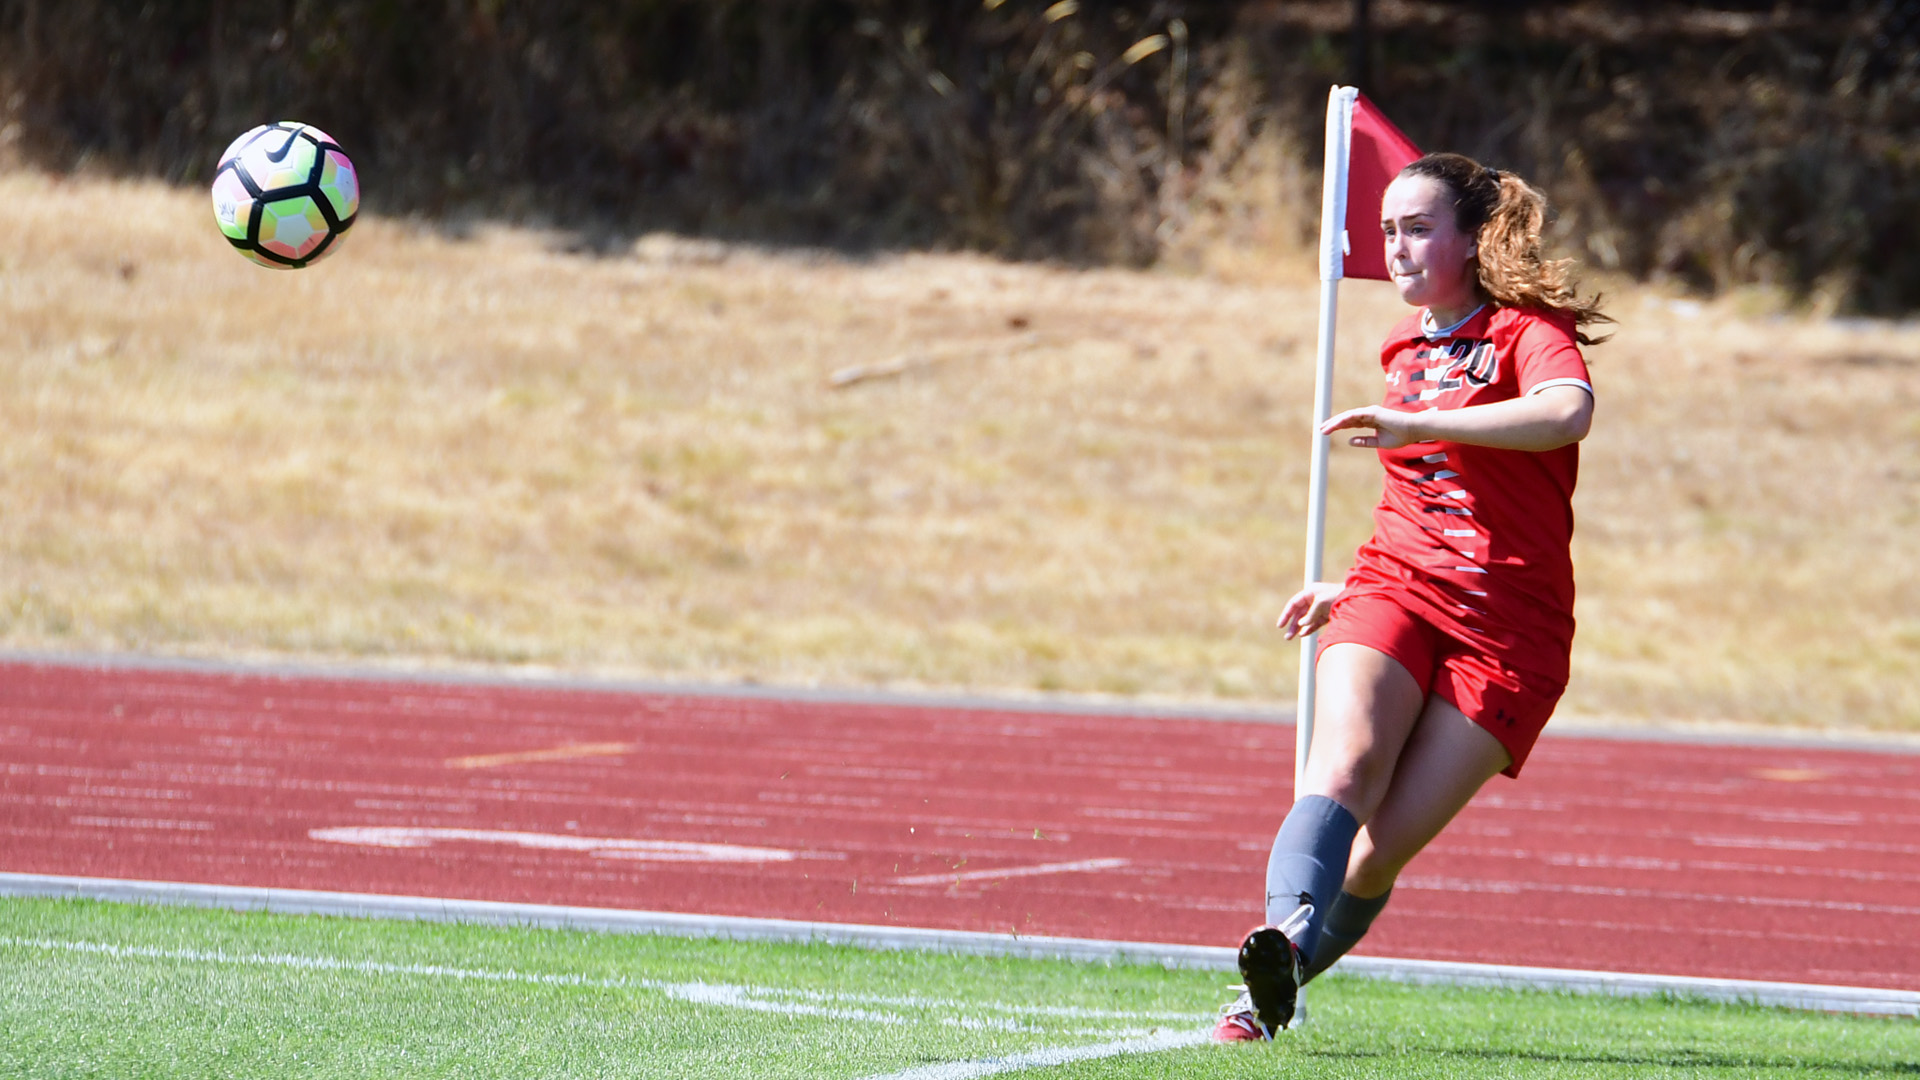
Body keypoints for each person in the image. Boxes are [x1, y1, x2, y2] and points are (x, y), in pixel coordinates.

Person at [1214, 151, 1611, 1041]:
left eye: (1418, 227)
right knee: (1346, 766)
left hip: (1512, 633)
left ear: (1471, 239)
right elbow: (1422, 500)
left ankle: (1282, 975)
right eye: (1389, 230)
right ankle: (1271, 951)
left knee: (1375, 851)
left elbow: (1567, 411)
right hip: (1396, 588)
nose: (1396, 247)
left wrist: (1419, 421)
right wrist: (1352, 585)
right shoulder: (1402, 348)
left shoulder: (1524, 331)